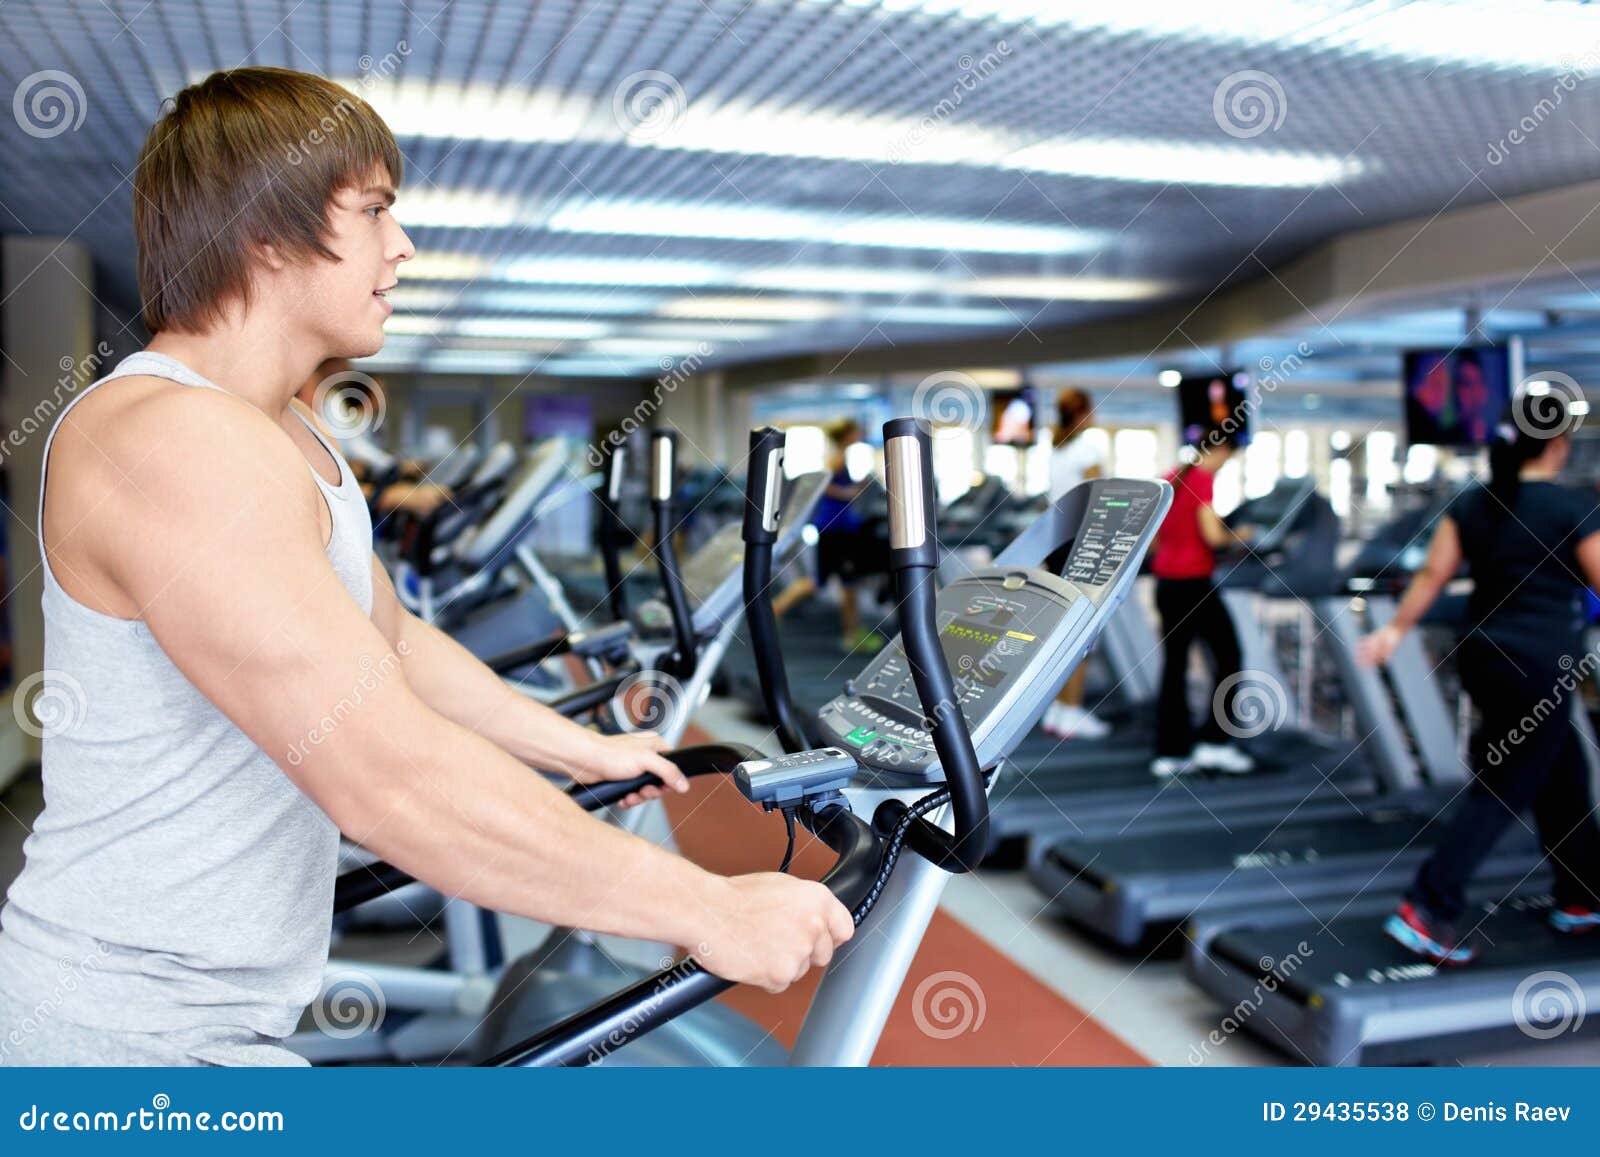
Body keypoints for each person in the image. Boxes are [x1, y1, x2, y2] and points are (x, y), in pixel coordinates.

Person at [0, 67, 851, 1067]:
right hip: (120, 1042)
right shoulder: (169, 438)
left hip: (214, 1022)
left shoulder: (289, 432)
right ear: (265, 233)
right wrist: (702, 904)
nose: (400, 246)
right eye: (372, 211)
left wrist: (576, 748)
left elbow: (393, 644)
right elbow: (384, 775)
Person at [1358, 393, 1600, 964]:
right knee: (1506, 787)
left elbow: (1434, 575)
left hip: (1484, 658)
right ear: (1559, 445)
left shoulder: (1475, 504)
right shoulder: (1572, 507)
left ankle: (1582, 896)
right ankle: (1427, 906)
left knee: (1565, 771)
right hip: (1538, 665)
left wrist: (1394, 630)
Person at [1149, 438, 1256, 778]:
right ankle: (1214, 743)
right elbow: (1212, 536)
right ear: (1221, 449)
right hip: (1195, 583)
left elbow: (1153, 535)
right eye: (1229, 456)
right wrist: (1241, 535)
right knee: (1230, 657)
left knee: (1175, 664)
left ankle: (1171, 752)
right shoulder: (1201, 479)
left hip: (1166, 582)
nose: (1226, 463)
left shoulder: (1172, 476)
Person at [772, 418, 881, 653]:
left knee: (838, 581)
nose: (859, 434)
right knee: (837, 581)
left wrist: (856, 487)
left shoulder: (839, 455)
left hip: (837, 526)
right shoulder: (838, 456)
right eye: (856, 431)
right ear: (847, 435)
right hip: (836, 527)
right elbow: (823, 484)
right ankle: (851, 634)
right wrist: (846, 492)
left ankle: (852, 632)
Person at [1042, 389, 1109, 739]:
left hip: (1058, 545)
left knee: (1063, 630)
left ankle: (1057, 709)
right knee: (1083, 632)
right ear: (1083, 412)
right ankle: (1071, 710)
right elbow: (1100, 501)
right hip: (1080, 546)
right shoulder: (1088, 448)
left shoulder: (1058, 448)